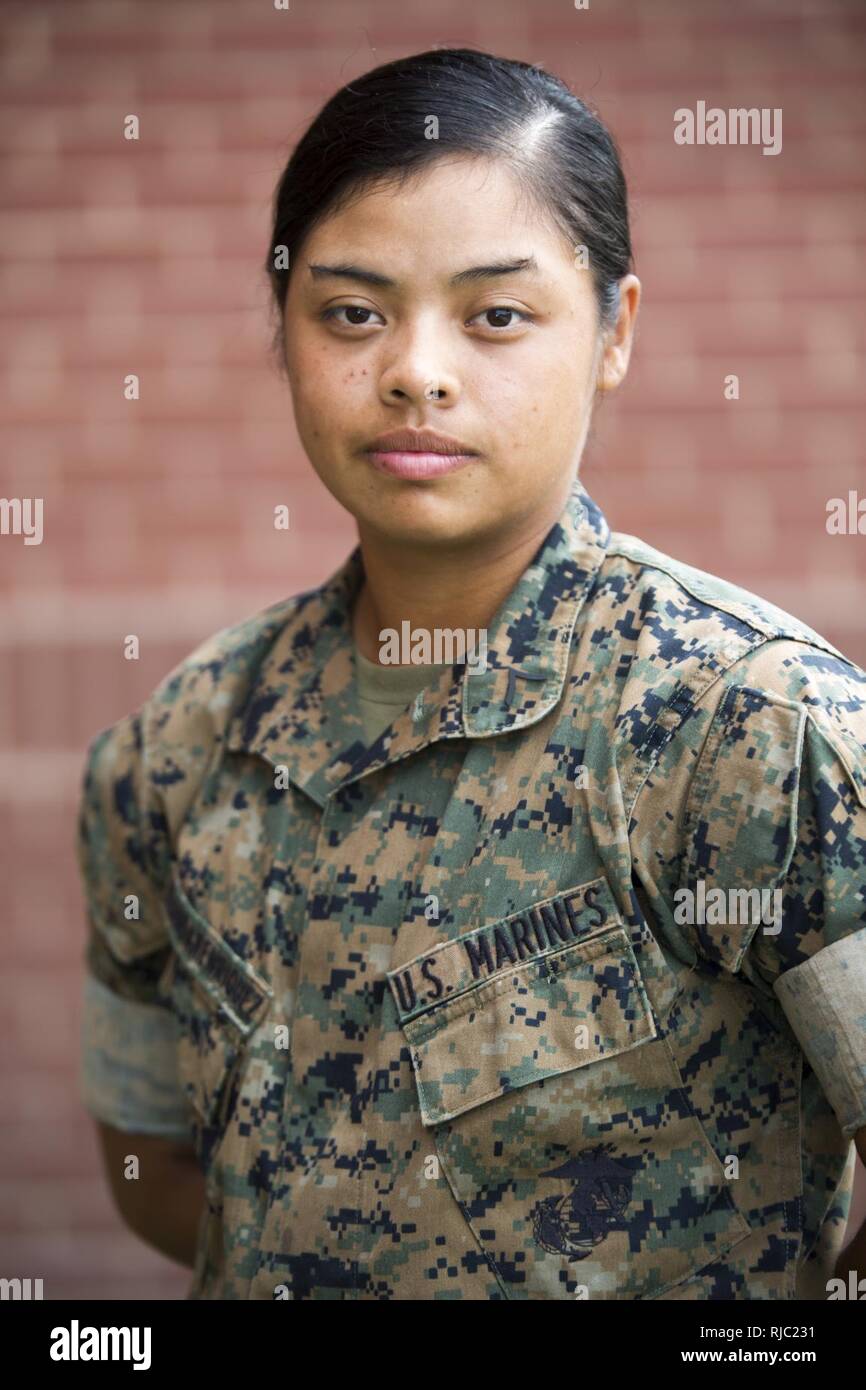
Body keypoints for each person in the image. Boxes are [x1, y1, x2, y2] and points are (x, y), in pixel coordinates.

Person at [77, 47, 866, 1301]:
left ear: (614, 331)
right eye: (351, 312)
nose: (415, 371)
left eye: (495, 314)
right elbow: (152, 1161)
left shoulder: (746, 731)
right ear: (281, 331)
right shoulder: (173, 748)